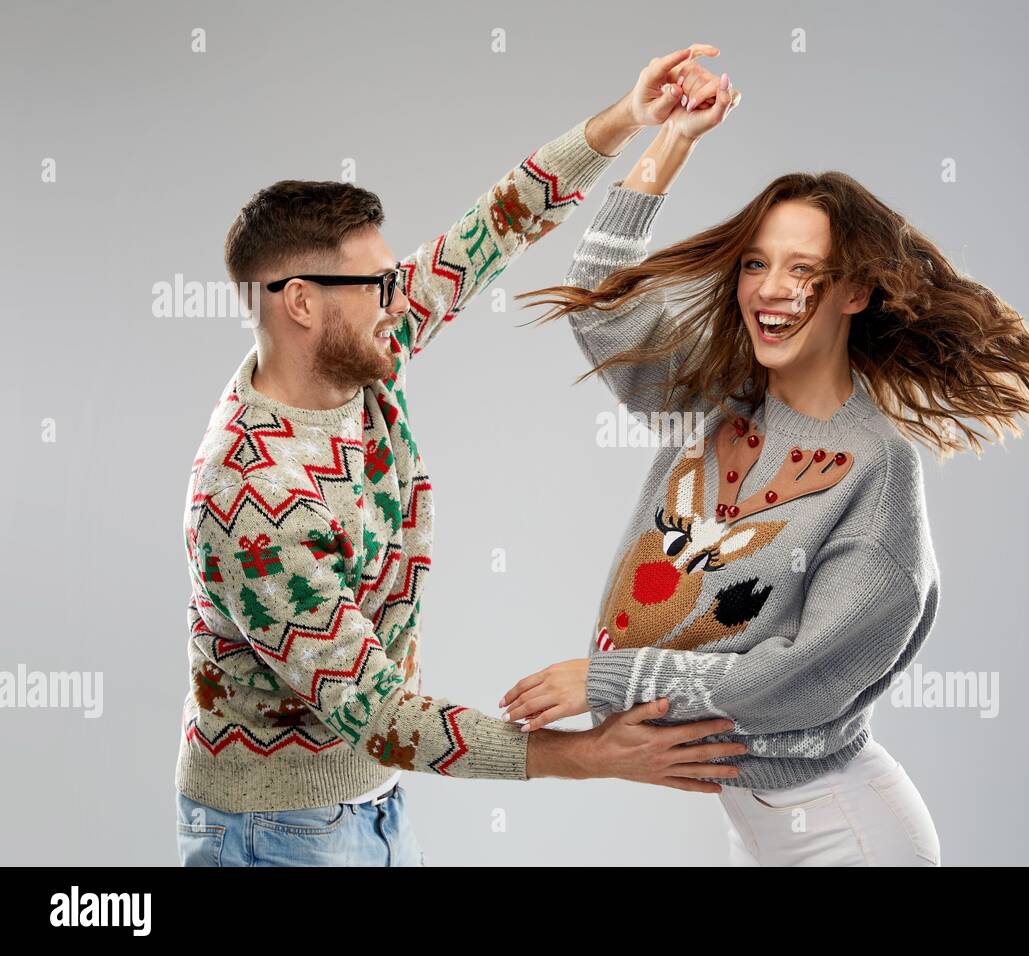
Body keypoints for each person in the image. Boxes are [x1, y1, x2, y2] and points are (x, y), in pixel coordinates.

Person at [175, 45, 751, 868]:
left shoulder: (361, 350)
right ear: (298, 301)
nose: (397, 297)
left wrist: (634, 117)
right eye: (376, 284)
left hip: (368, 803)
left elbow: (498, 223)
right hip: (274, 833)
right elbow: (375, 714)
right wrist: (586, 758)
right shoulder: (252, 495)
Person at [503, 61, 1029, 865]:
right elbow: (602, 298)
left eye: (803, 272)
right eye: (756, 263)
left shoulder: (876, 469)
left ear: (855, 292)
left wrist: (604, 683)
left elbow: (799, 680)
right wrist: (671, 139)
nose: (769, 292)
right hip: (758, 818)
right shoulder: (722, 400)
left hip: (843, 830)